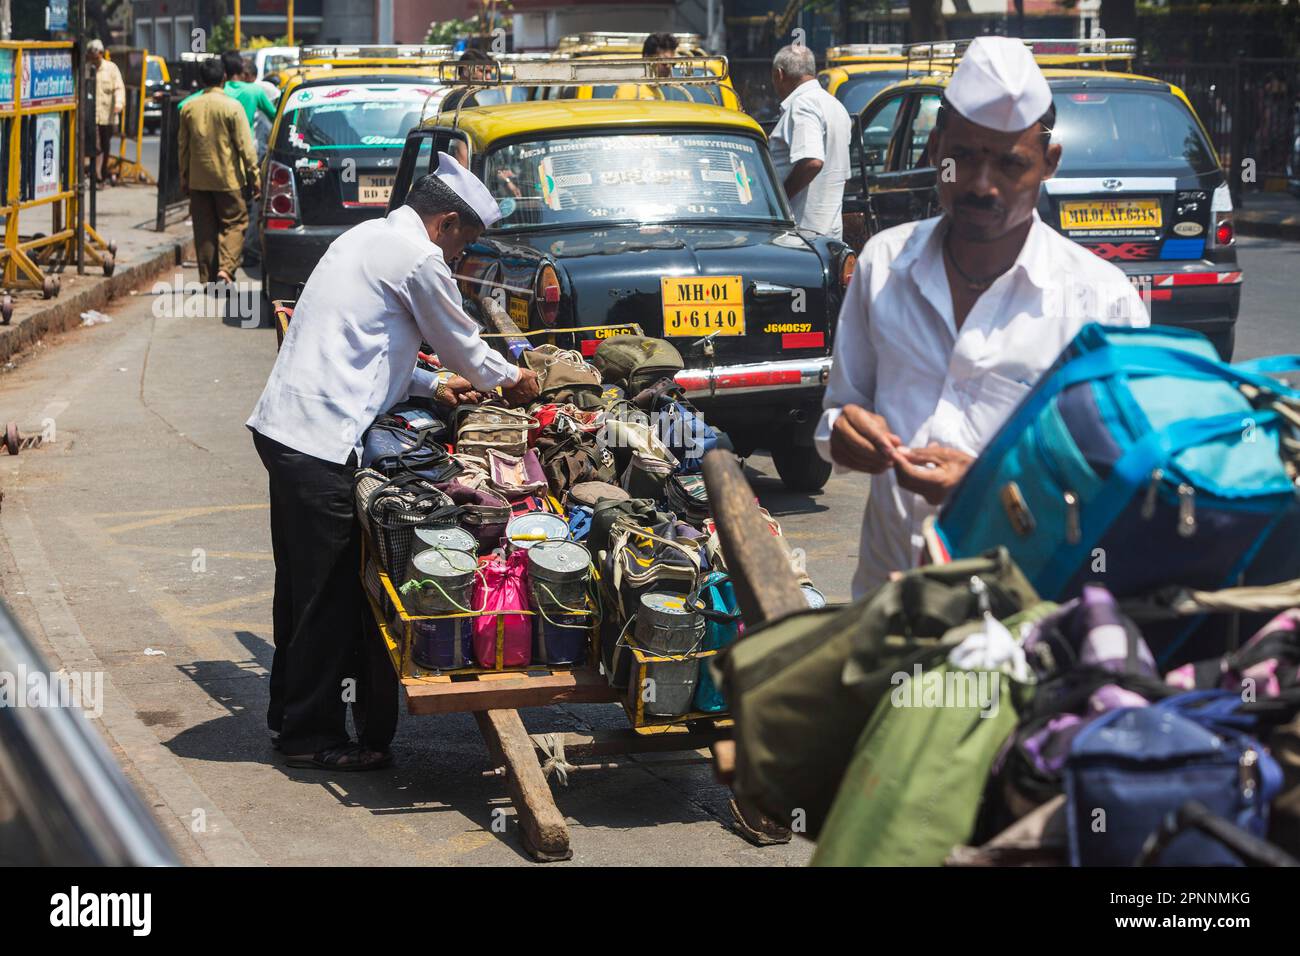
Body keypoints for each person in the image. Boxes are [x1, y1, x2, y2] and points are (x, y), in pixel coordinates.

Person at [815, 36, 1150, 599]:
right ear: (934, 149)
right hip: (887, 613)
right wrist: (843, 435)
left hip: (1027, 623)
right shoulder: (883, 264)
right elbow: (841, 412)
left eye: (1010, 163)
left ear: (1049, 163)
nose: (980, 184)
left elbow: (1128, 484)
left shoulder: (1101, 301)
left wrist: (986, 485)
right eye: (964, 156)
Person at [245, 155, 541, 771]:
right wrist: (512, 378)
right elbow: (460, 341)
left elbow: (369, 347)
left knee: (299, 585)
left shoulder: (368, 236)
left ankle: (289, 718)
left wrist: (434, 390)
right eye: (466, 241)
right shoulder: (418, 258)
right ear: (447, 223)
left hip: (288, 429)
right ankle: (309, 736)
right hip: (318, 440)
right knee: (326, 594)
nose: (461, 255)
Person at [179, 56, 260, 284]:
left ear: (202, 79)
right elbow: (245, 145)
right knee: (236, 222)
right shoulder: (232, 107)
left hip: (198, 180)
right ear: (224, 78)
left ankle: (207, 277)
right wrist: (255, 176)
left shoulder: (188, 108)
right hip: (228, 179)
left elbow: (182, 147)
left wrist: (183, 176)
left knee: (204, 228)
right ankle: (226, 268)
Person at [768, 44, 851, 239]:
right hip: (829, 234)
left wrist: (780, 202)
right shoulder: (836, 106)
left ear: (779, 74)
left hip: (801, 236)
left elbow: (812, 162)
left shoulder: (803, 104)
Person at [179, 51, 276, 132]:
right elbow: (275, 116)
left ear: (223, 71)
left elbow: (182, 106)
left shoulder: (212, 92)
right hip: (245, 148)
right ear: (241, 69)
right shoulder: (255, 91)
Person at [87, 40, 125, 186]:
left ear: (101, 54)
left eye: (95, 57)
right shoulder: (87, 69)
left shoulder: (111, 68)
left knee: (105, 146)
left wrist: (119, 104)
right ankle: (96, 175)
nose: (93, 60)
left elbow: (119, 88)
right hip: (92, 116)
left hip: (108, 116)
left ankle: (101, 175)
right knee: (96, 146)